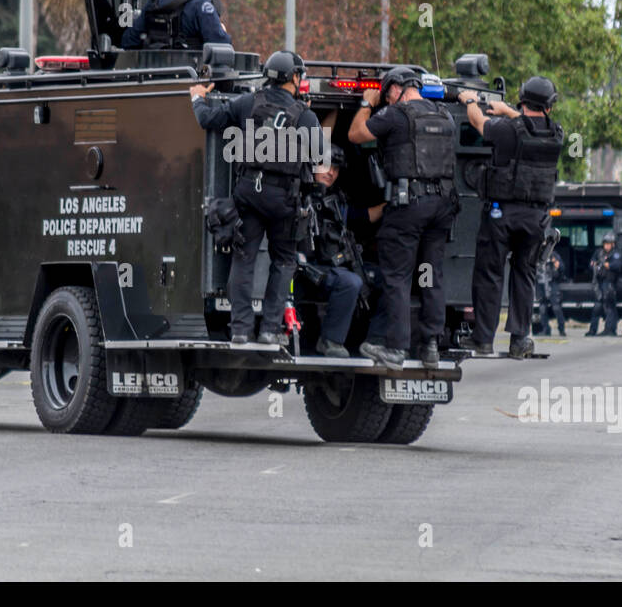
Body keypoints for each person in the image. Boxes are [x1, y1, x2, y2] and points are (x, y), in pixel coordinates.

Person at [191, 50, 323, 347]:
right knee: (284, 262)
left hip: (249, 194)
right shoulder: (305, 115)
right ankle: (269, 331)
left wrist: (197, 97)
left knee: (244, 259)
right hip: (284, 201)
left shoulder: (248, 102)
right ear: (295, 78)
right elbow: (317, 159)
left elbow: (208, 119)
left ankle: (240, 330)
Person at [348, 66, 457, 369]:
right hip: (443, 208)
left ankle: (396, 348)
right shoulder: (444, 115)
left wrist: (367, 103)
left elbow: (355, 134)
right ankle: (431, 345)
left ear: (395, 89)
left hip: (410, 207)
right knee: (430, 274)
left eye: (386, 95)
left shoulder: (397, 114)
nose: (386, 100)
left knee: (397, 276)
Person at [455, 76, 564, 359]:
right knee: (524, 275)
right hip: (536, 218)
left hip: (502, 214)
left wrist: (469, 99)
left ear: (522, 100)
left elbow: (479, 123)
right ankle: (519, 340)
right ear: (549, 107)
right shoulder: (557, 134)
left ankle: (483, 339)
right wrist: (506, 110)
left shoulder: (507, 130)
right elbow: (528, 125)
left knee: (490, 275)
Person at [297, 145, 383, 356]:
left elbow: (363, 216)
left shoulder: (336, 201)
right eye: (325, 165)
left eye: (335, 168)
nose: (330, 172)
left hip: (334, 267)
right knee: (350, 282)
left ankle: (376, 341)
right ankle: (330, 341)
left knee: (385, 278)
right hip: (305, 270)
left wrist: (392, 204)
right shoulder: (298, 195)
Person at [539, 252, 568, 337]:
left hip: (552, 283)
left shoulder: (553, 255)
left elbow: (562, 268)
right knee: (542, 308)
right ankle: (545, 329)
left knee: (556, 308)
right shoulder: (537, 253)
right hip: (541, 284)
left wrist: (557, 265)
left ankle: (561, 329)